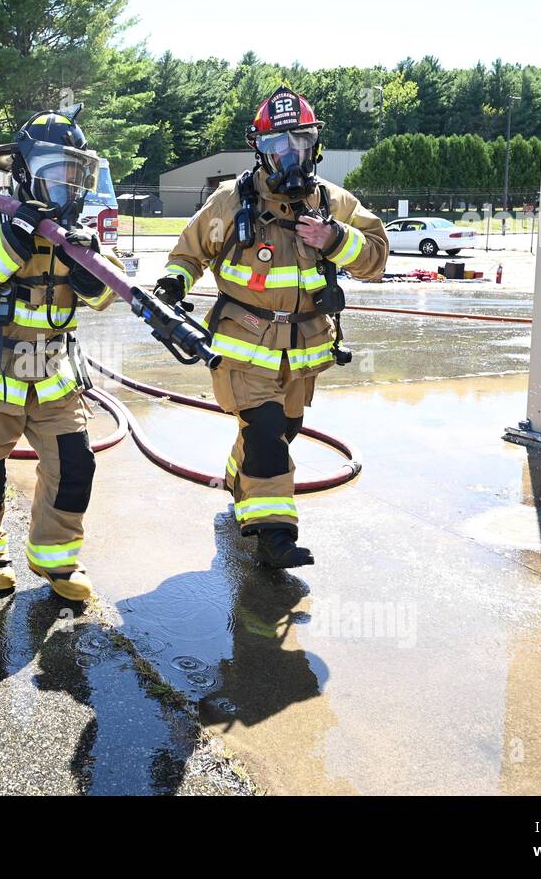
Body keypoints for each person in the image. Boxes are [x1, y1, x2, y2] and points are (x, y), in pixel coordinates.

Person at [155, 86, 388, 569]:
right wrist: (174, 284)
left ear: (314, 144)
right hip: (243, 342)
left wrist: (336, 238)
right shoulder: (230, 201)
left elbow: (375, 260)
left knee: (284, 430)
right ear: (260, 148)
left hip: (304, 348)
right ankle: (274, 536)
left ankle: (239, 477)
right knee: (264, 431)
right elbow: (187, 252)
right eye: (279, 144)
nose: (290, 154)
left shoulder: (332, 202)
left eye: (299, 141)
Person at [0, 108, 119, 601]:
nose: (67, 186)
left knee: (74, 465)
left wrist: (88, 269)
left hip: (51, 371)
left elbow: (107, 292)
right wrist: (13, 237)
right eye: (57, 172)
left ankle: (56, 561)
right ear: (27, 170)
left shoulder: (77, 232)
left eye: (76, 174)